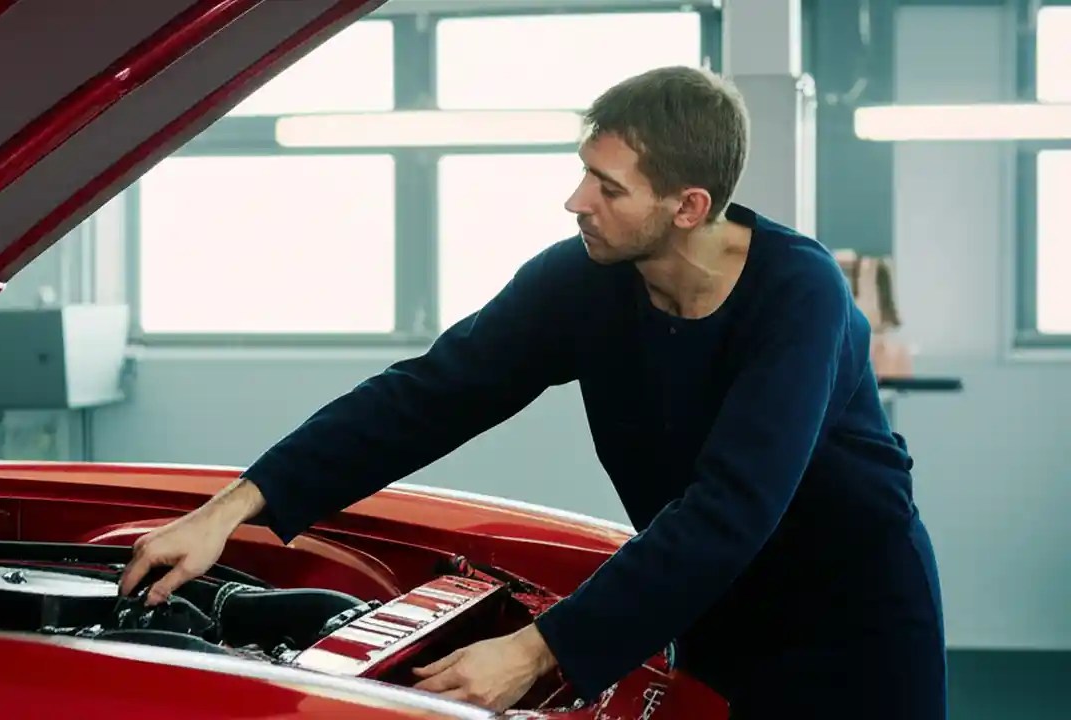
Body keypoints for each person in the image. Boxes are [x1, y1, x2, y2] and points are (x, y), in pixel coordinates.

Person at [118, 66, 946, 719]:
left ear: (689, 206)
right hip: (713, 604)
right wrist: (226, 509)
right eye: (585, 172)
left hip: (852, 616)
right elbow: (426, 396)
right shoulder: (582, 281)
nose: (576, 201)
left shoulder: (800, 297)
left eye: (609, 188)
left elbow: (731, 508)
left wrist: (534, 651)